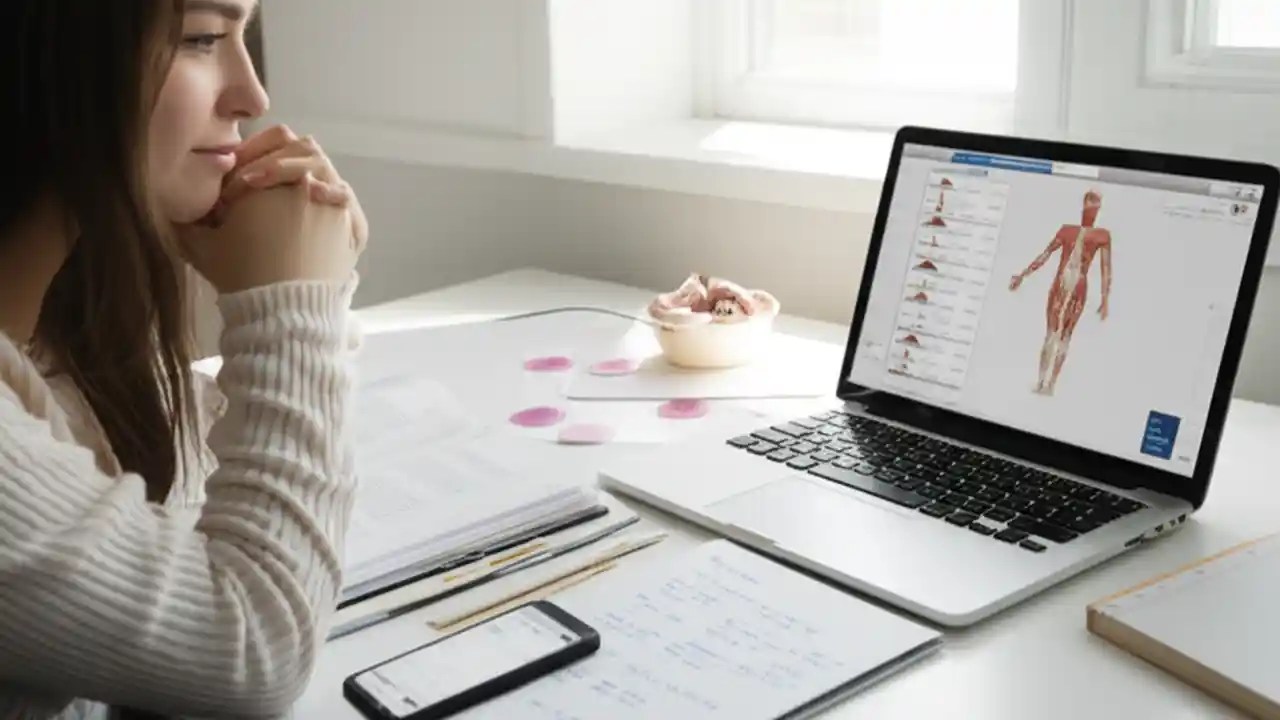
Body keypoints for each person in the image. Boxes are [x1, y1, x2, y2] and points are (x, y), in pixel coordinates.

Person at [1, 1, 370, 717]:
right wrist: (293, 309)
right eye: (202, 39)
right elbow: (254, 652)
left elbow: (169, 534)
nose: (253, 96)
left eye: (242, 36)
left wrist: (305, 296)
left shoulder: (59, 339)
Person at [1008, 190, 1112, 396]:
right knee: (1051, 333)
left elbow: (1106, 268)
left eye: (1096, 205)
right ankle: (1040, 382)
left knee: (1065, 335)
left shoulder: (1101, 235)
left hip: (1079, 286)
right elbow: (1046, 254)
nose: (1092, 208)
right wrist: (1023, 274)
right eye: (1090, 203)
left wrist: (1105, 298)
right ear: (1084, 205)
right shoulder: (1067, 231)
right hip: (1060, 283)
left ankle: (1051, 384)